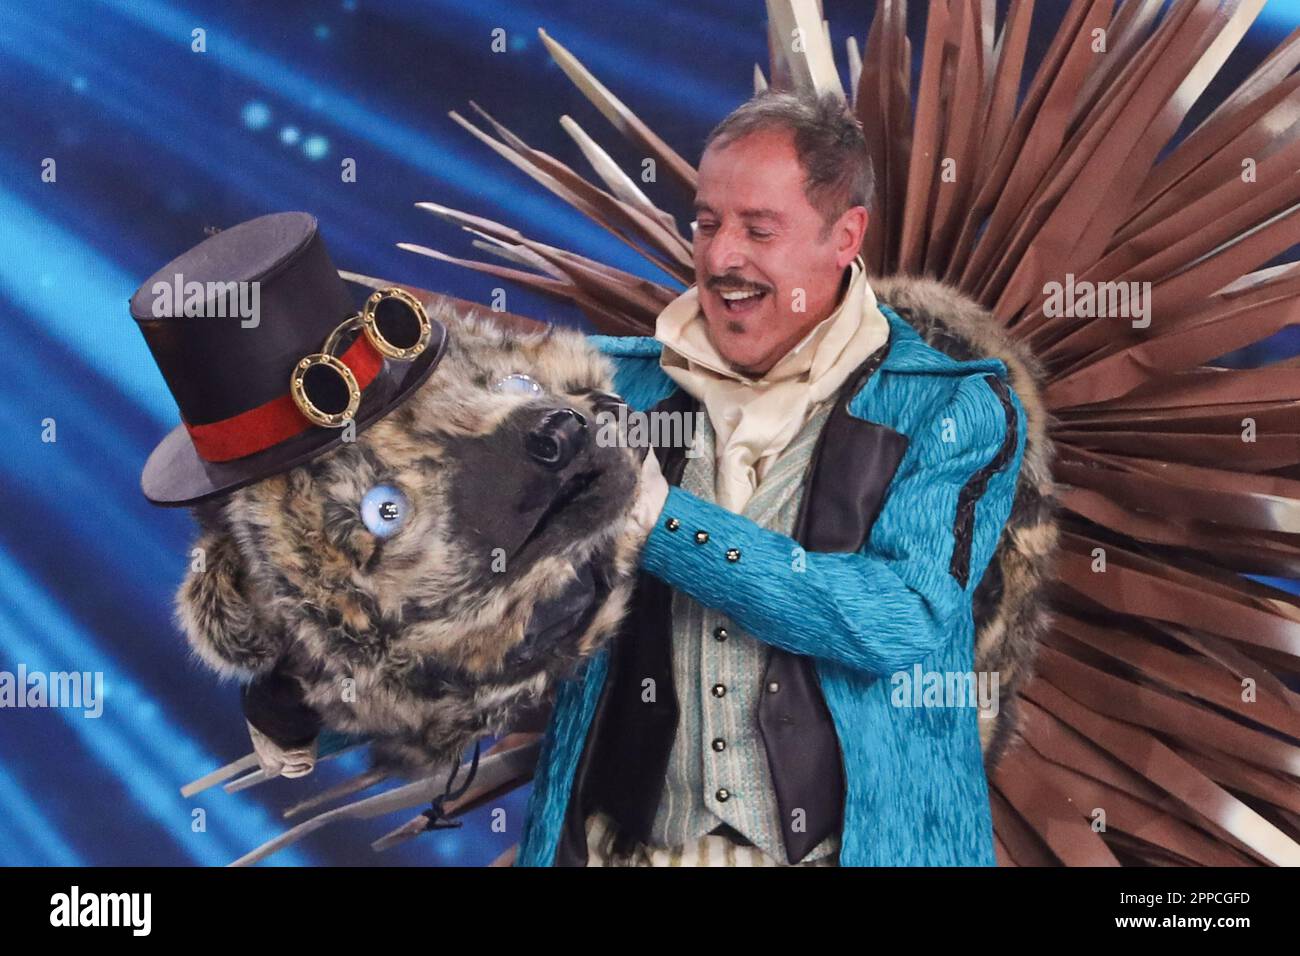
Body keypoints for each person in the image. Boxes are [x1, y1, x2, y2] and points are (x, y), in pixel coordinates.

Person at [512, 87, 1028, 867]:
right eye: (708, 222)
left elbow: (896, 620)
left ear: (845, 235)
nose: (721, 257)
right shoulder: (608, 391)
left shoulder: (952, 408)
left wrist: (663, 521)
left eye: (759, 228)